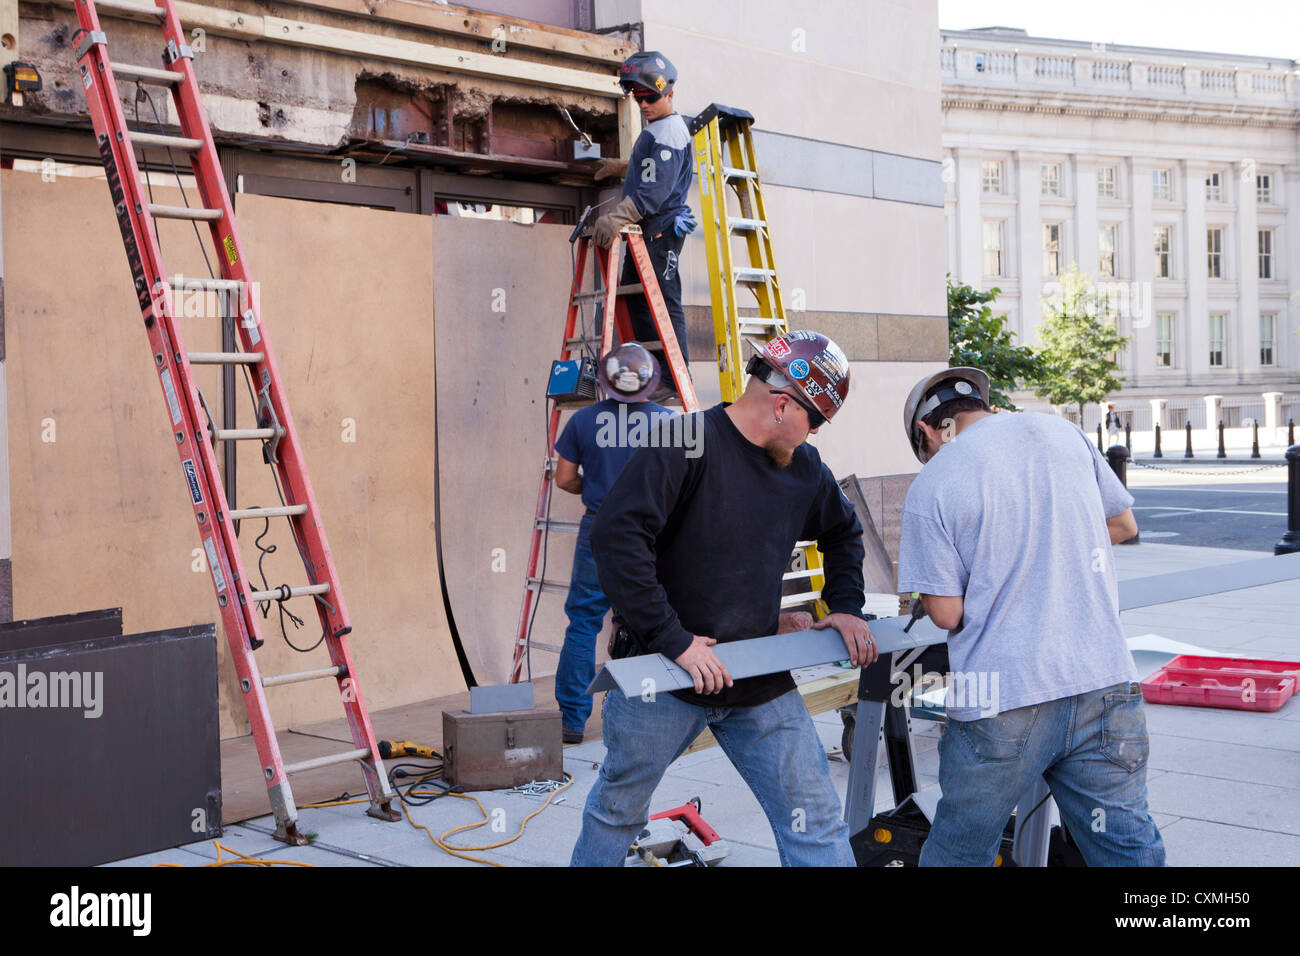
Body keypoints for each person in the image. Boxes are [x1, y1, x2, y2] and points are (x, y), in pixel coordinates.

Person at [570, 331, 876, 867]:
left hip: (753, 675)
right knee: (618, 812)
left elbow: (843, 533)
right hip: (662, 675)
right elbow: (617, 539)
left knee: (815, 817)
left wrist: (846, 604)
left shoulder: (802, 468)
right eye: (818, 419)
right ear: (783, 403)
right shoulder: (684, 444)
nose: (817, 433)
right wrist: (676, 640)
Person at [895, 367, 1165, 867]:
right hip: (1104, 681)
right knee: (1125, 847)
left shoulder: (935, 480)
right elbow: (1123, 523)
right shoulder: (1061, 432)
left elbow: (948, 613)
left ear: (929, 432)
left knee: (960, 849)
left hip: (1004, 696)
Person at [553, 344, 670, 744]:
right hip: (653, 531)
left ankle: (571, 720)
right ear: (650, 384)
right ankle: (658, 710)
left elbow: (565, 479)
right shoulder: (672, 422)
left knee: (583, 622)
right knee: (656, 618)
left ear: (604, 382)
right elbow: (690, 483)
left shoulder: (582, 422)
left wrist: (605, 492)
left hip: (600, 529)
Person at [592, 51, 695, 365]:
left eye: (650, 96)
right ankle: (649, 373)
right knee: (638, 301)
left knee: (662, 303)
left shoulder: (668, 132)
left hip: (659, 235)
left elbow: (654, 193)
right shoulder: (659, 128)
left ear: (670, 94)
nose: (644, 104)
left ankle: (672, 376)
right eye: (638, 97)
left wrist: (616, 218)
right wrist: (624, 167)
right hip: (648, 233)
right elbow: (654, 173)